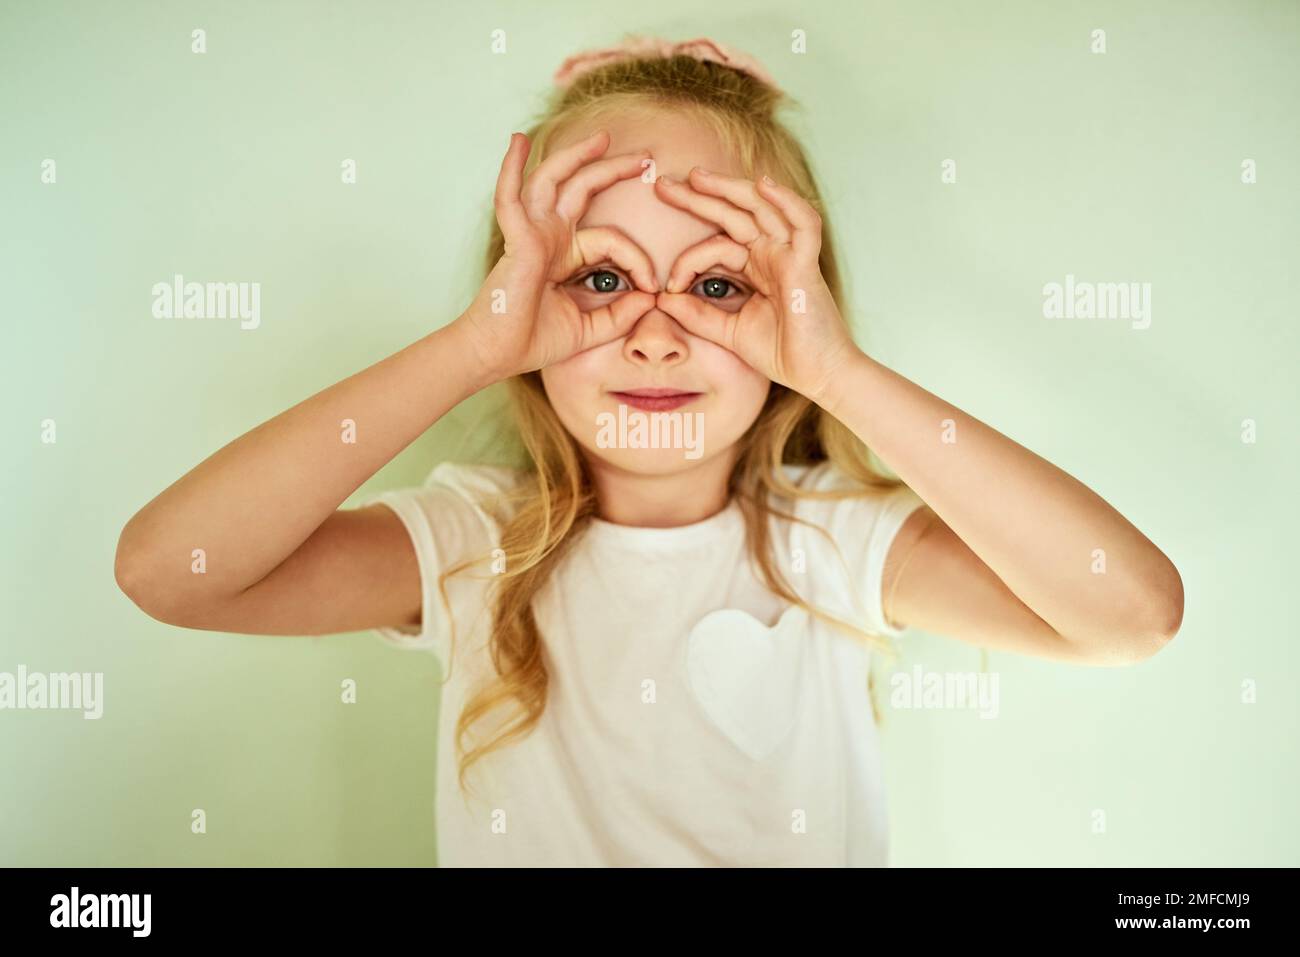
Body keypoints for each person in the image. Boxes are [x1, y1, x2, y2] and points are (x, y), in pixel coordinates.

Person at [114, 35, 1184, 867]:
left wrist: (839, 373)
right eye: (602, 278)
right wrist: (470, 349)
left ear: (794, 312)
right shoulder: (474, 542)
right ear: (525, 297)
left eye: (718, 284)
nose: (658, 330)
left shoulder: (835, 545)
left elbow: (1131, 615)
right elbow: (170, 572)